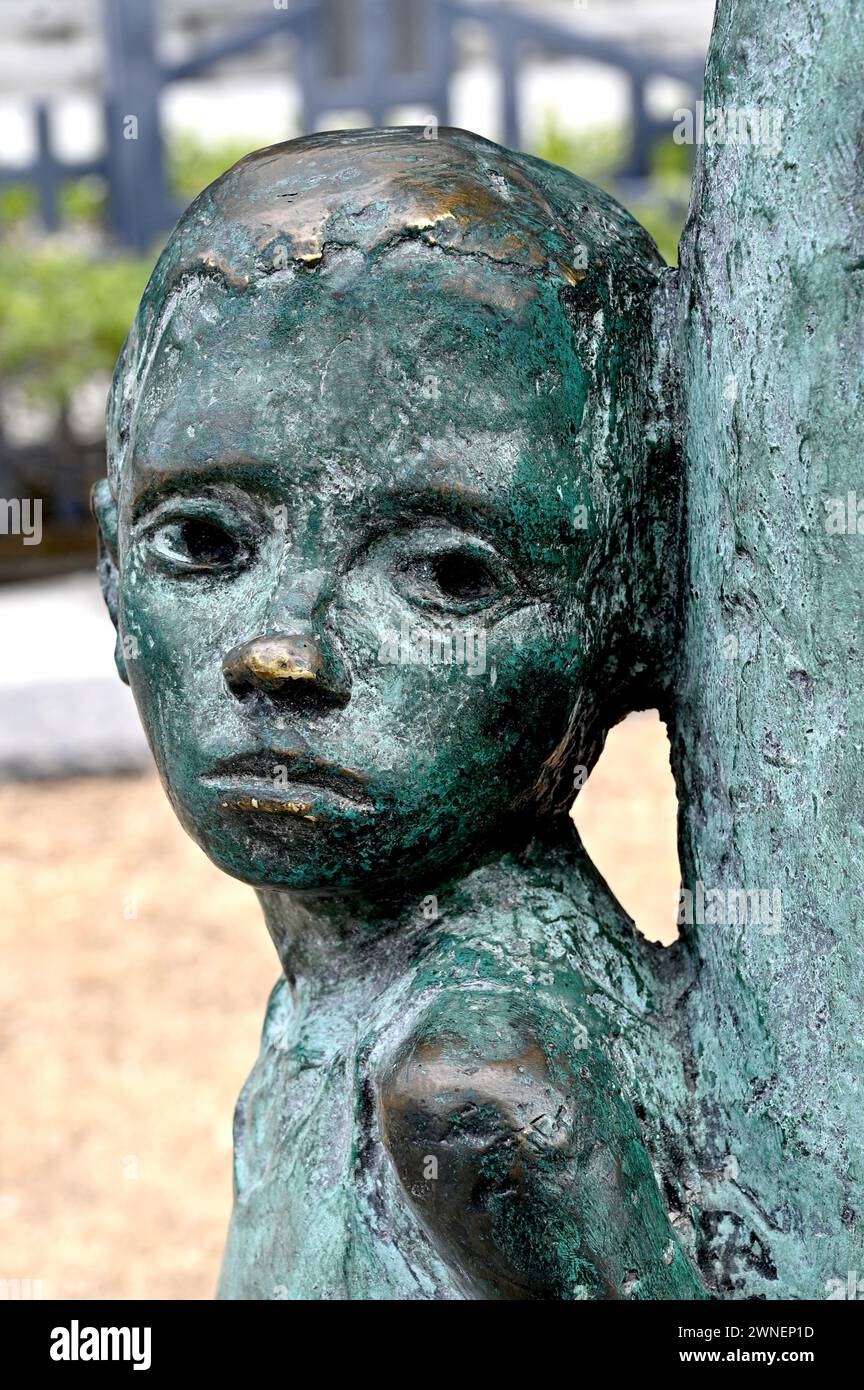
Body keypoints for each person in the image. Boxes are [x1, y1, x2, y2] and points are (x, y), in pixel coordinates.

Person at [93, 125, 702, 1299]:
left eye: (447, 574)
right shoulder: (350, 1001)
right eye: (206, 540)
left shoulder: (472, 1090)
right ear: (117, 573)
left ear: (628, 611)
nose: (283, 650)